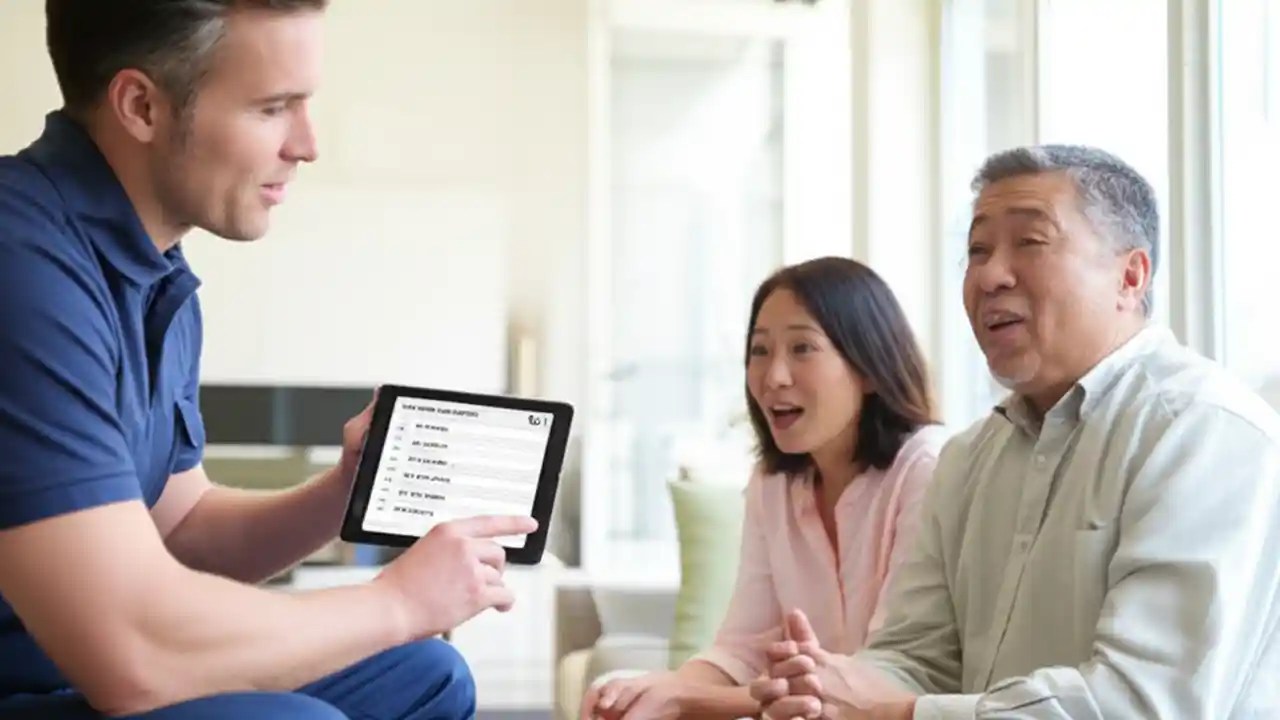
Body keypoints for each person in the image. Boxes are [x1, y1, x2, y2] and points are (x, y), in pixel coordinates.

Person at [0, 2, 536, 719]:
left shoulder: (156, 276)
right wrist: (398, 600)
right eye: (273, 108)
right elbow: (133, 651)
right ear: (141, 105)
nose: (308, 144)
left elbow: (179, 531)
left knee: (427, 675)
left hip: (81, 673)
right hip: (42, 681)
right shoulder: (22, 264)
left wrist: (343, 494)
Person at [751, 145, 1280, 719]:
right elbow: (916, 657)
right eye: (977, 250)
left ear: (1131, 275)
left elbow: (1142, 703)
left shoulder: (1204, 433)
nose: (990, 276)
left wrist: (898, 713)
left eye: (1029, 242)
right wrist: (825, 687)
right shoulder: (969, 458)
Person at [580, 257, 950, 720]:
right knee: (615, 693)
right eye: (759, 351)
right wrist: (652, 691)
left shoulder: (928, 469)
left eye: (802, 348)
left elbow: (885, 677)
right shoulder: (773, 484)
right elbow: (742, 651)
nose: (773, 377)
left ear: (869, 367)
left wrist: (684, 699)